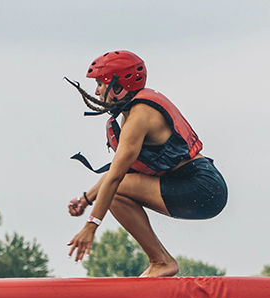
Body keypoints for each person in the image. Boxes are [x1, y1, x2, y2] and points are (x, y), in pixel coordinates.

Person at [66, 50, 227, 277]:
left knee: (115, 190)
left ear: (119, 86)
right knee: (114, 189)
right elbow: (118, 171)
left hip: (202, 188)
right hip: (191, 185)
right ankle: (160, 260)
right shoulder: (130, 112)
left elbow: (115, 178)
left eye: (101, 84)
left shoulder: (140, 115)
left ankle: (160, 262)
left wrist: (90, 226)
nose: (96, 91)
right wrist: (85, 199)